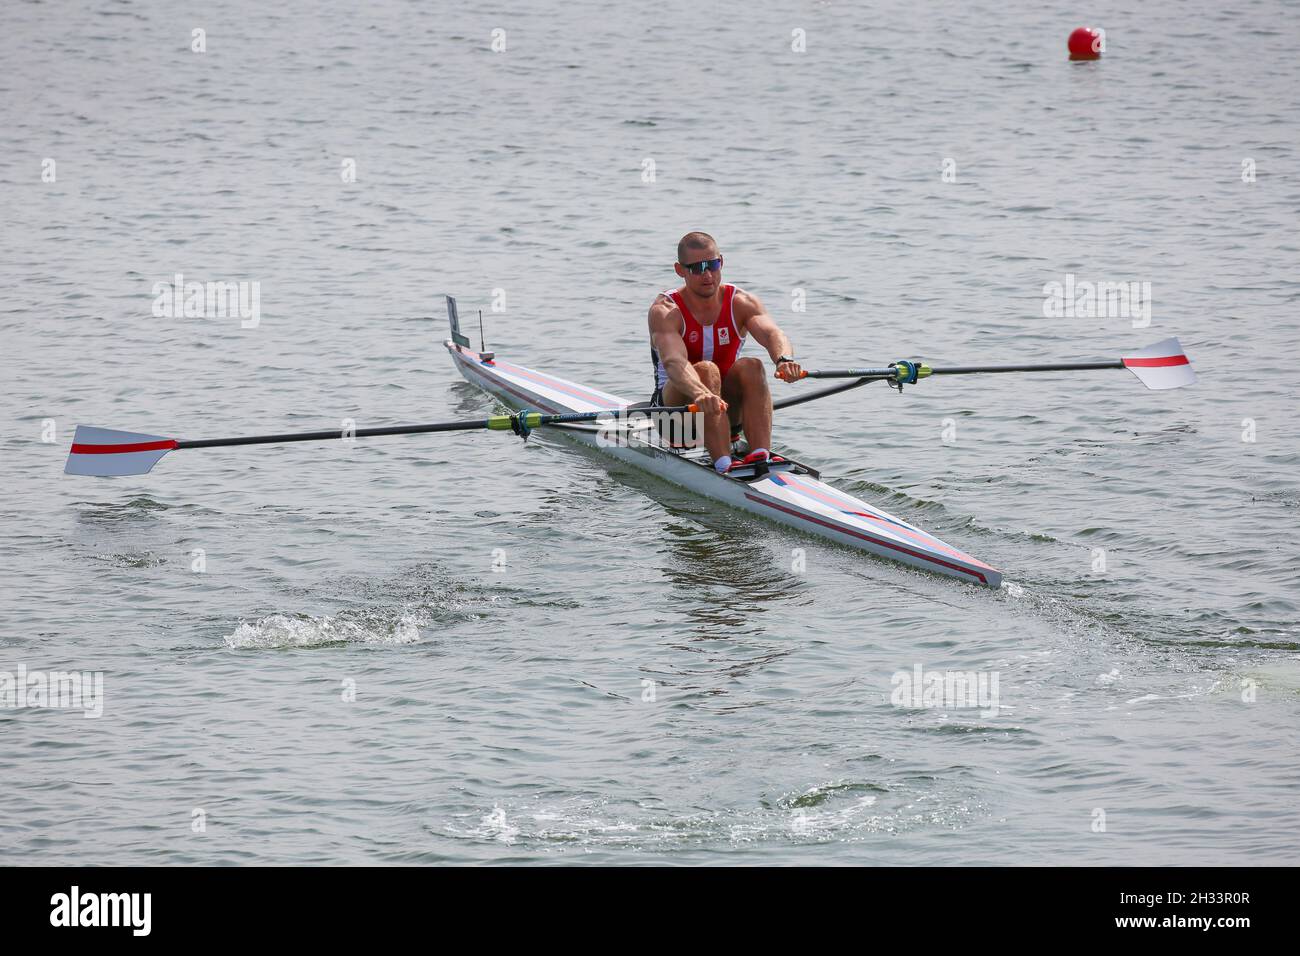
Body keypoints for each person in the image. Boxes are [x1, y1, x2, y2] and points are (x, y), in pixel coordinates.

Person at [647, 232, 802, 472]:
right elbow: (674, 362)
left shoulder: (741, 301)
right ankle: (723, 465)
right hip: (677, 417)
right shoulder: (666, 310)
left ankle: (761, 455)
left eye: (713, 265)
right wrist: (700, 393)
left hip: (723, 413)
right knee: (706, 371)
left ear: (722, 262)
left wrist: (784, 360)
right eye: (697, 268)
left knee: (752, 366)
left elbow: (773, 334)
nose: (707, 274)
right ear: (680, 270)